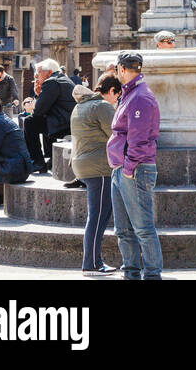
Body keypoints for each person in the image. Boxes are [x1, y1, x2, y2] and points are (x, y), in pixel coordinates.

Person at [107, 51, 162, 280]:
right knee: (123, 230)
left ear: (121, 69)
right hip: (122, 169)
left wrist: (128, 170)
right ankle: (131, 273)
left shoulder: (139, 97)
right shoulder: (131, 94)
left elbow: (140, 140)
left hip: (134, 170)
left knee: (142, 229)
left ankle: (151, 275)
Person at [70, 77, 123, 276]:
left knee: (97, 215)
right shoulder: (101, 106)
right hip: (99, 168)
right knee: (98, 216)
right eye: (117, 95)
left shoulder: (81, 106)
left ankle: (94, 261)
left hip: (84, 165)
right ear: (111, 90)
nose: (116, 100)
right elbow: (117, 133)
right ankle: (91, 264)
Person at [23, 58, 76, 173]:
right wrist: (38, 94)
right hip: (69, 121)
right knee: (43, 120)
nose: (36, 76)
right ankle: (50, 159)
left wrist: (37, 96)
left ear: (49, 72)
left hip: (64, 123)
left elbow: (38, 111)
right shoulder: (62, 79)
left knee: (29, 122)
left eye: (39, 72)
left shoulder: (51, 81)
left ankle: (37, 162)